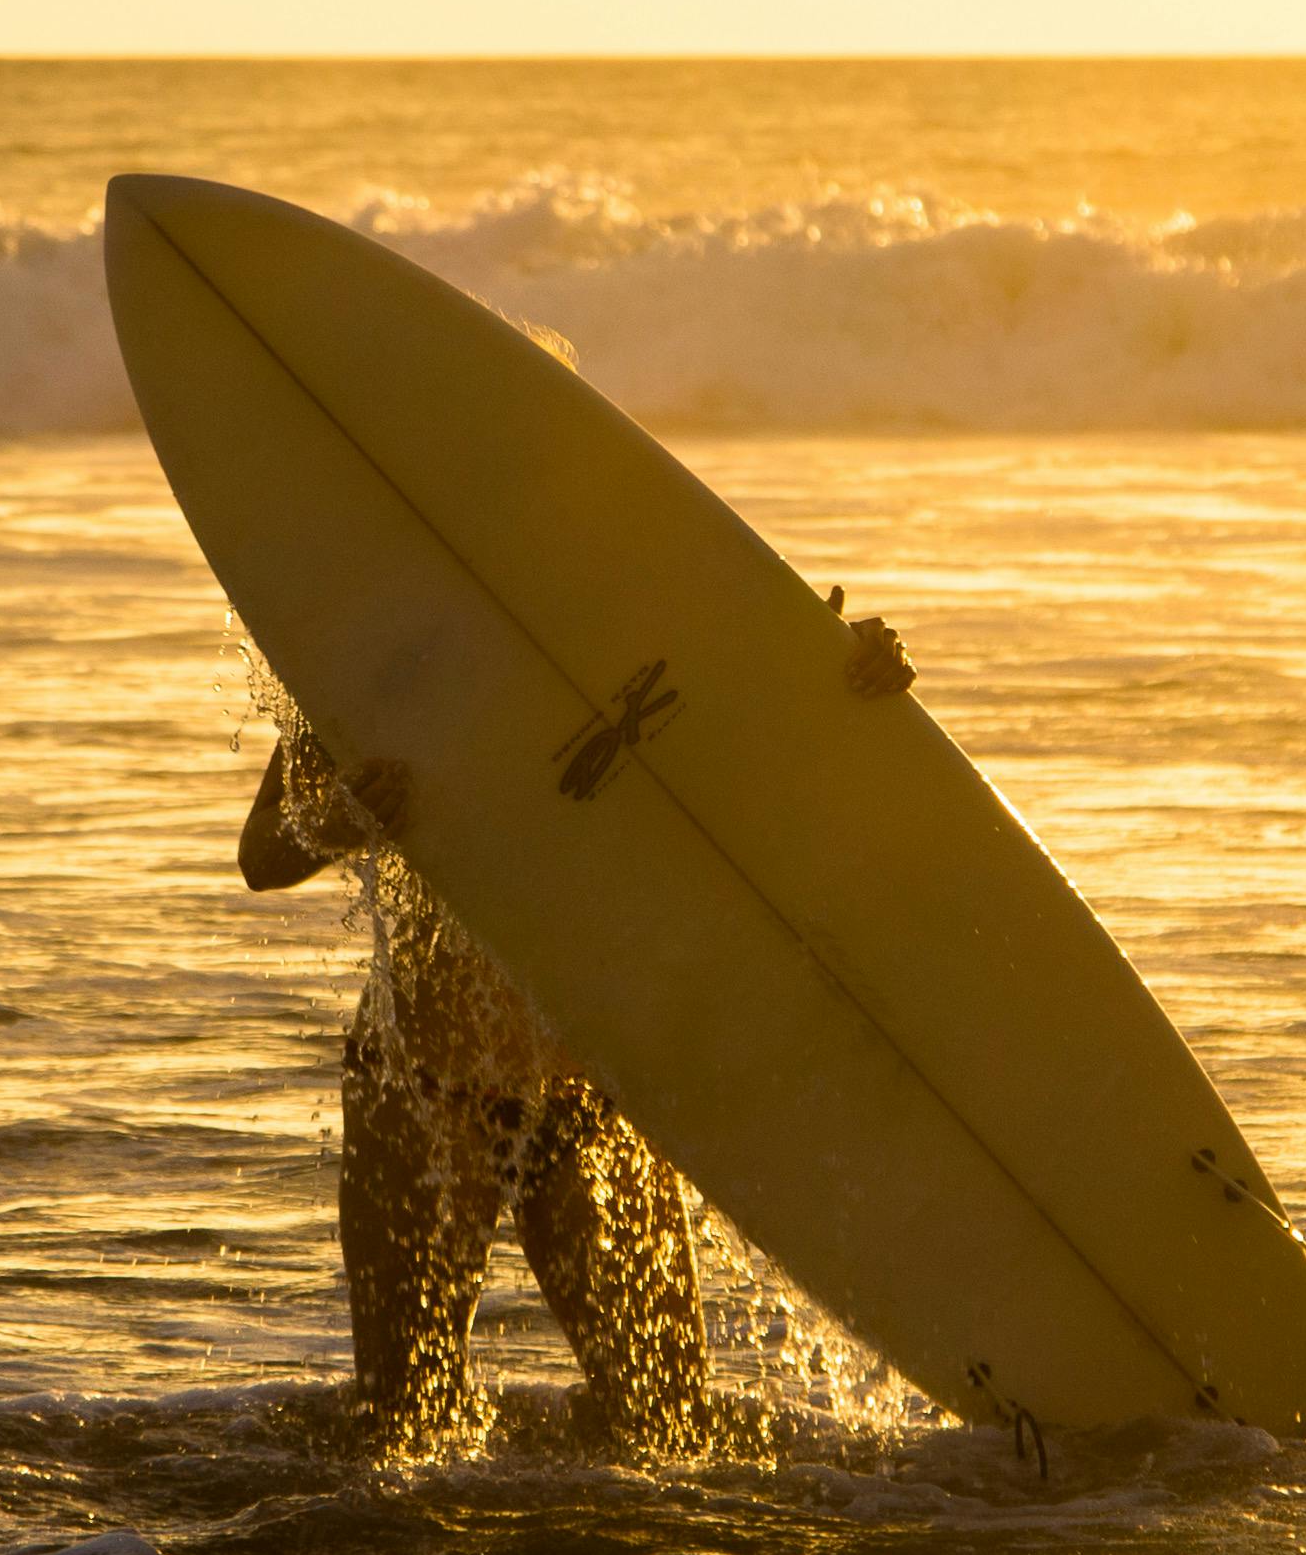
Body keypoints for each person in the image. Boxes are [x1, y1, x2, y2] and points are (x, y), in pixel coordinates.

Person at [237, 591, 915, 1460]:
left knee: (670, 1428)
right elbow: (263, 852)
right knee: (397, 1436)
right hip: (421, 1088)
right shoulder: (386, 650)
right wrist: (336, 821)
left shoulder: (635, 615)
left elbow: (773, 745)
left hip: (591, 1096)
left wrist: (848, 677)